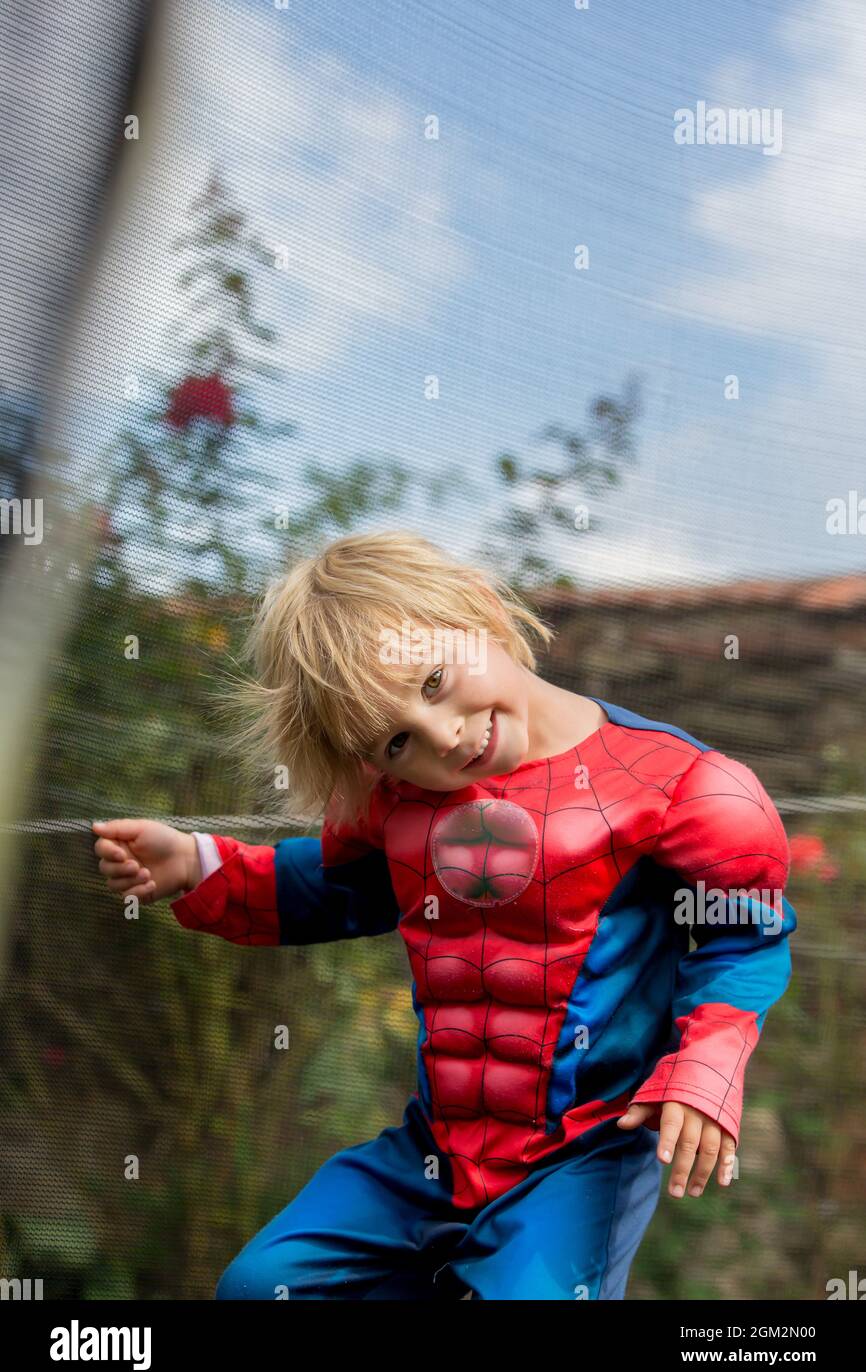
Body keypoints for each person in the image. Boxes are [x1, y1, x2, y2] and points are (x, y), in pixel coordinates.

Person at [92, 530, 797, 1300]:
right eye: (397, 741)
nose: (444, 736)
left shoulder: (685, 788)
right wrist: (198, 865)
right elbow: (334, 890)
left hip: (584, 1153)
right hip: (434, 1152)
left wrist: (706, 1063)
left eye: (433, 681)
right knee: (263, 1286)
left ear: (482, 614)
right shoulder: (401, 803)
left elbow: (744, 939)